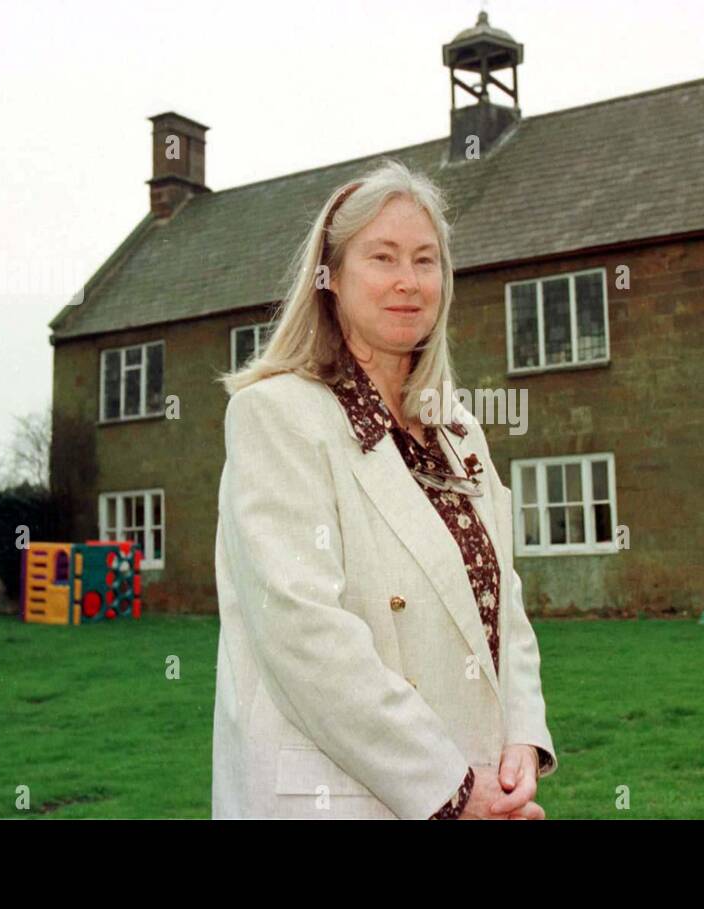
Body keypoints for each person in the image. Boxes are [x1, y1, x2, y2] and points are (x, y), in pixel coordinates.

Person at [211, 158, 558, 819]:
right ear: (331, 278)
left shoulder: (457, 430)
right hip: (341, 798)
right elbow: (304, 633)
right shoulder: (276, 415)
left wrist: (520, 740)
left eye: (426, 261)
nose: (408, 281)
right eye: (383, 257)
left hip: (479, 785)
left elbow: (504, 604)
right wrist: (451, 789)